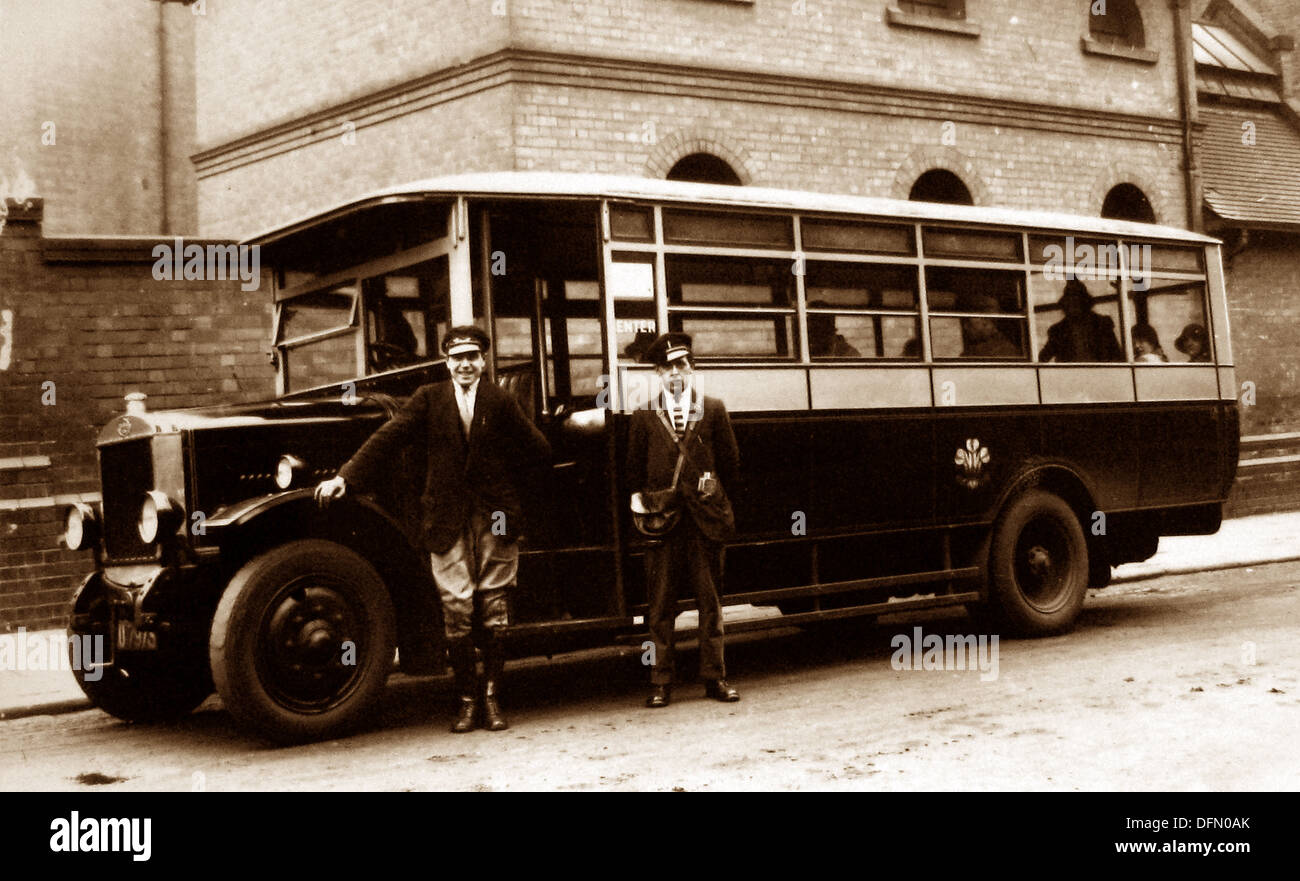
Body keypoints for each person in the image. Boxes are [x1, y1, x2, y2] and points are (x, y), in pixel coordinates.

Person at [315, 325, 551, 733]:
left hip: (496, 519)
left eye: (472, 356)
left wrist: (511, 496)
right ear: (447, 362)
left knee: (494, 607)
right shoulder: (429, 398)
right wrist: (346, 478)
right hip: (445, 520)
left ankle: (492, 700)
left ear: (483, 361)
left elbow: (539, 452)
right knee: (456, 607)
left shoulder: (500, 400)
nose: (465, 364)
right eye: (457, 357)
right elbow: (387, 437)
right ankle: (465, 700)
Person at [628, 332, 741, 709]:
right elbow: (634, 472)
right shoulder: (644, 415)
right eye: (670, 367)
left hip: (704, 522)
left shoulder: (714, 408)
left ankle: (716, 678)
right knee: (660, 609)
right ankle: (660, 683)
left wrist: (712, 500)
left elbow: (731, 466)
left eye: (685, 365)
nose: (678, 372)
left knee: (711, 604)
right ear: (658, 373)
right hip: (664, 525)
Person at [1037, 279, 1122, 363]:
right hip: (1070, 375)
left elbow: (1117, 355)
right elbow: (1044, 357)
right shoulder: (1058, 331)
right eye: (1070, 301)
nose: (1073, 305)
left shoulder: (1102, 324)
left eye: (1077, 300)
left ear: (1085, 302)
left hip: (1102, 373)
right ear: (1065, 304)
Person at [961, 293, 1021, 358]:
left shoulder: (1001, 349)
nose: (965, 327)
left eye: (968, 324)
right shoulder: (975, 348)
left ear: (985, 322)